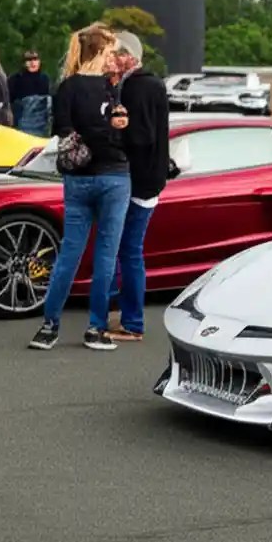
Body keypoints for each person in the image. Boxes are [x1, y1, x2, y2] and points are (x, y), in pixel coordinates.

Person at [28, 23, 130, 352]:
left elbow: (60, 128)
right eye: (111, 50)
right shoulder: (112, 89)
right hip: (113, 175)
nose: (114, 57)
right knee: (105, 255)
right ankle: (95, 328)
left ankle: (49, 325)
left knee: (69, 252)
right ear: (100, 52)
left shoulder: (67, 87)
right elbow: (120, 131)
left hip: (77, 177)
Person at [107, 31, 169, 342]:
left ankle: (132, 322)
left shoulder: (137, 86)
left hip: (139, 180)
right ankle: (124, 315)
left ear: (130, 57)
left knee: (129, 250)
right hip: (150, 178)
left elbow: (142, 135)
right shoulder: (151, 83)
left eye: (116, 54)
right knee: (127, 249)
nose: (111, 59)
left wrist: (115, 132)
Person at [8, 49, 52, 136]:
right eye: (29, 60)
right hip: (21, 121)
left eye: (35, 60)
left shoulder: (45, 78)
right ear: (24, 63)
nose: (33, 63)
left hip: (41, 123)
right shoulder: (15, 79)